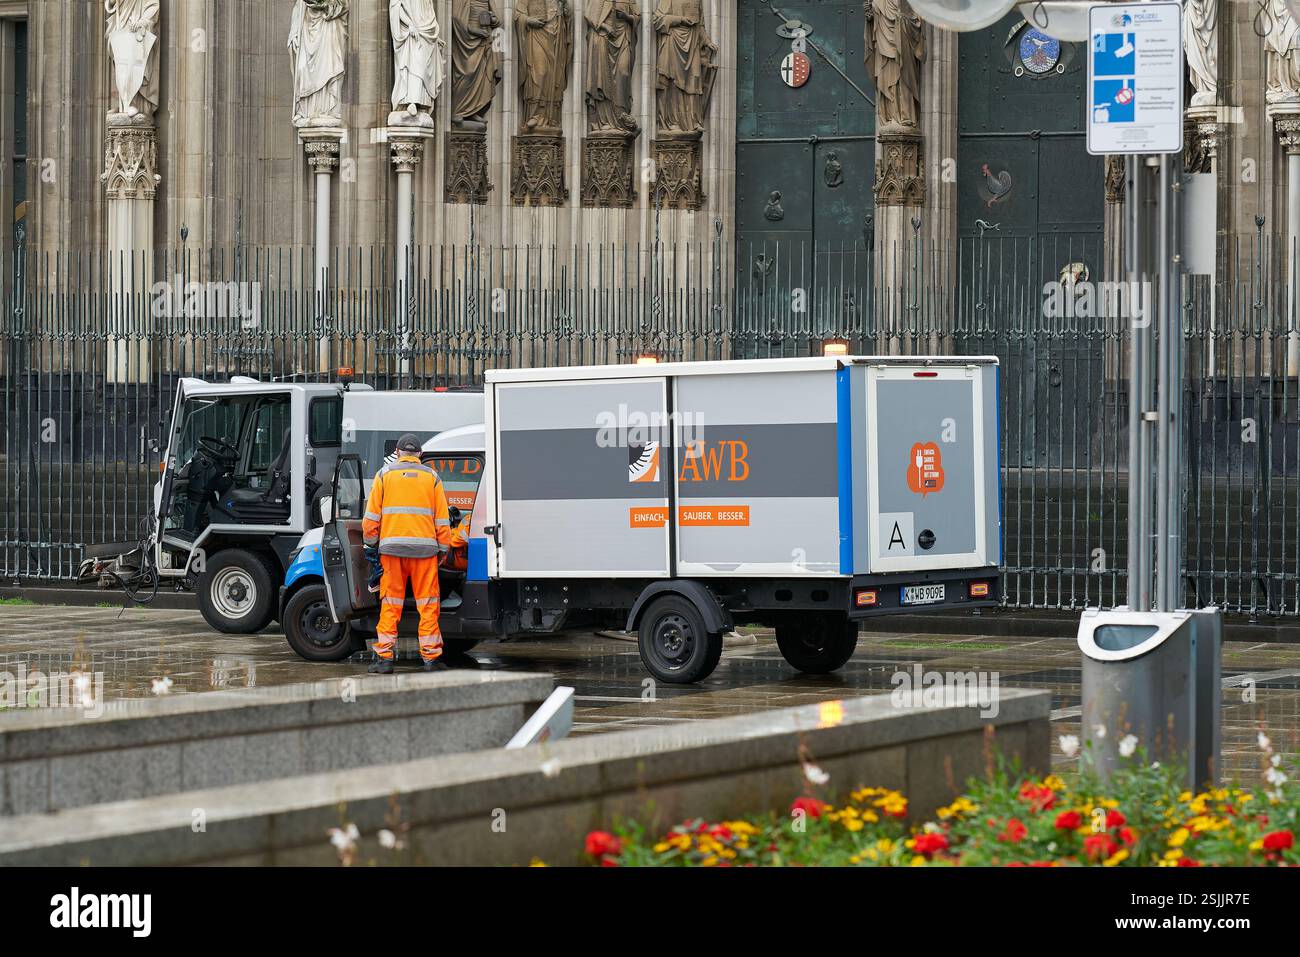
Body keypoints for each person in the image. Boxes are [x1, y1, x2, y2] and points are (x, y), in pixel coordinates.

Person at [362, 434, 452, 673]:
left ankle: (384, 660)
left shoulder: (384, 475)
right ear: (419, 455)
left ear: (399, 452)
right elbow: (442, 520)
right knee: (428, 604)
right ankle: (431, 660)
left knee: (391, 604)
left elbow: (371, 519)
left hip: (391, 552)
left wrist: (371, 546)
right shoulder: (432, 478)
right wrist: (443, 549)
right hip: (425, 552)